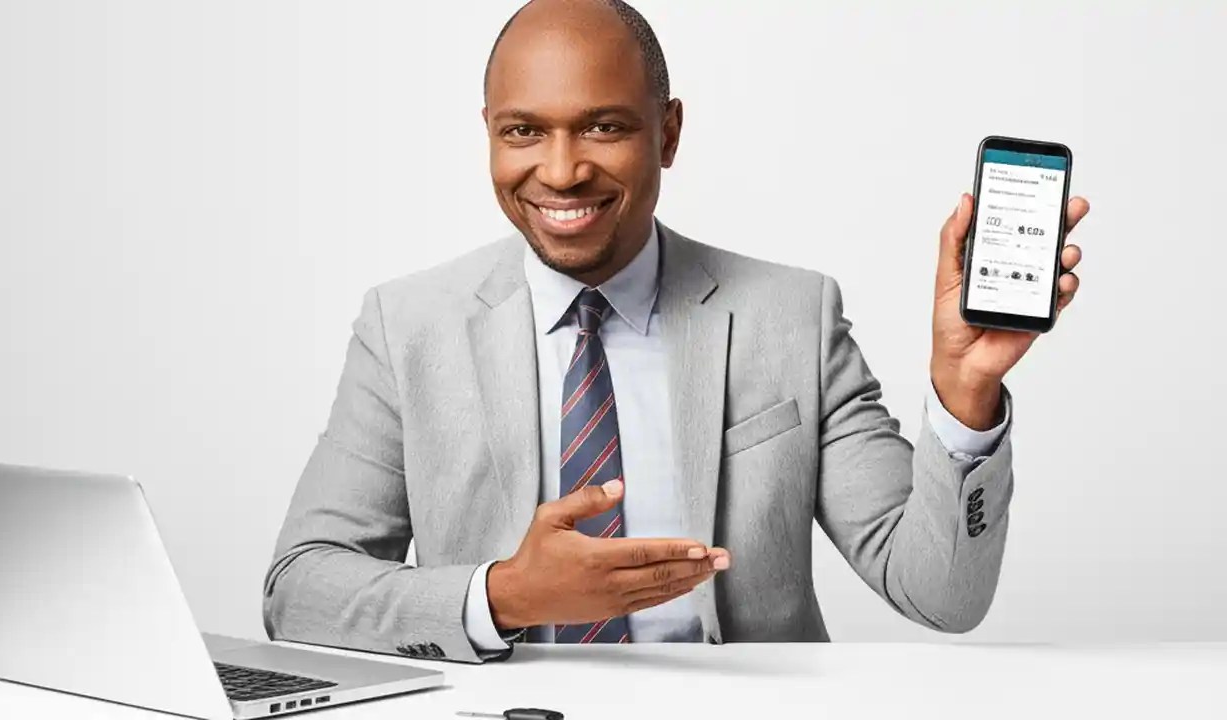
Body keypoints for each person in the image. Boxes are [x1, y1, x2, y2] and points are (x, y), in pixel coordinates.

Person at [263, 0, 1090, 663]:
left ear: (668, 132)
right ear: (489, 132)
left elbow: (941, 596)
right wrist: (506, 595)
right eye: (524, 131)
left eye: (604, 126)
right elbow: (297, 588)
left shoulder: (791, 317)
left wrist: (966, 390)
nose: (559, 170)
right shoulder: (406, 326)